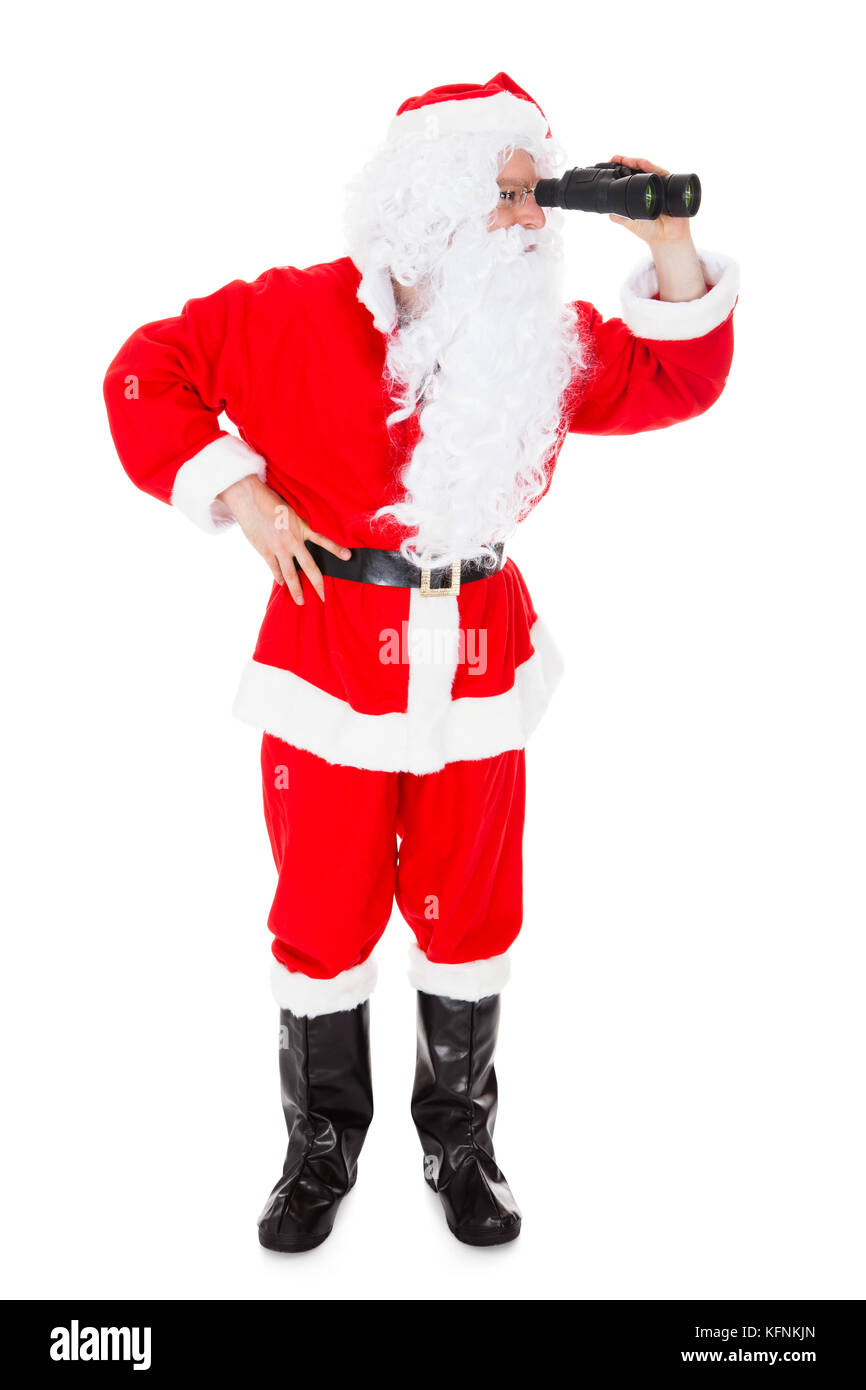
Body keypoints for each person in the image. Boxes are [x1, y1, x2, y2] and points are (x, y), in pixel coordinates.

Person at [103, 72, 739, 1251]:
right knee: (325, 914)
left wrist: (671, 244)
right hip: (332, 655)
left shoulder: (538, 342)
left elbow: (676, 378)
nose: (528, 221)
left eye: (535, 198)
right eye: (504, 195)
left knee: (470, 910)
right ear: (425, 198)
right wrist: (233, 487)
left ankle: (459, 1141)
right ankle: (321, 1146)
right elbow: (144, 371)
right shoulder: (291, 313)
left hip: (482, 663)